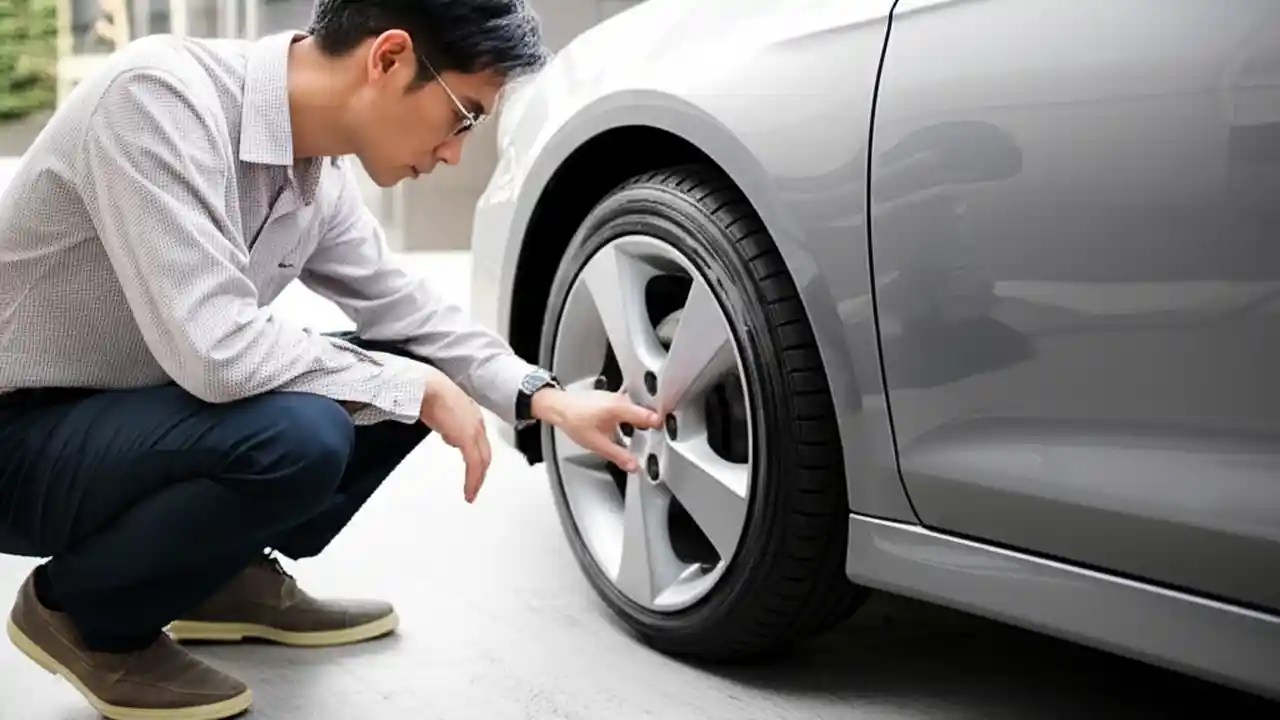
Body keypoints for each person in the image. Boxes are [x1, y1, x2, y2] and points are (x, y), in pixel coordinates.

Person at [0, 1, 661, 717]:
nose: (454, 154)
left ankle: (208, 577)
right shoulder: (158, 100)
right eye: (464, 116)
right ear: (389, 58)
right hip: (21, 433)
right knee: (308, 431)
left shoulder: (317, 176)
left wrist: (546, 398)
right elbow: (215, 350)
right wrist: (414, 387)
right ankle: (85, 614)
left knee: (404, 363)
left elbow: (409, 312)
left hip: (131, 417)